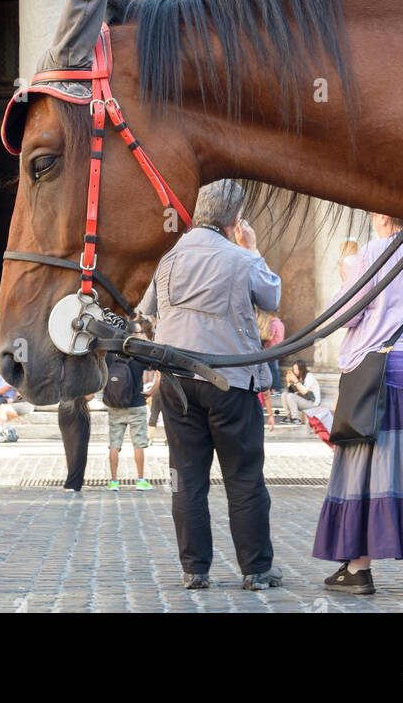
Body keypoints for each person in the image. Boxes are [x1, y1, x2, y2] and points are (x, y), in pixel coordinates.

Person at [141, 179, 282, 592]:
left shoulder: (168, 259)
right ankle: (256, 569)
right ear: (235, 219)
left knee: (185, 478)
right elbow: (271, 298)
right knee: (243, 477)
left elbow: (150, 311)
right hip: (230, 381)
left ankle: (194, 569)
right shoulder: (240, 258)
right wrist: (252, 247)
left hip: (177, 382)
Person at [313, 213, 403, 597]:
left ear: (380, 217)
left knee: (368, 464)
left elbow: (346, 313)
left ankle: (358, 568)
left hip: (382, 374)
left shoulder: (374, 253)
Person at [102, 340, 153, 492]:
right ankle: (140, 480)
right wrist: (153, 391)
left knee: (114, 444)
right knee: (138, 445)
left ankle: (114, 482)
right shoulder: (138, 355)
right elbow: (158, 371)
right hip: (137, 404)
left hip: (115, 405)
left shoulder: (109, 356)